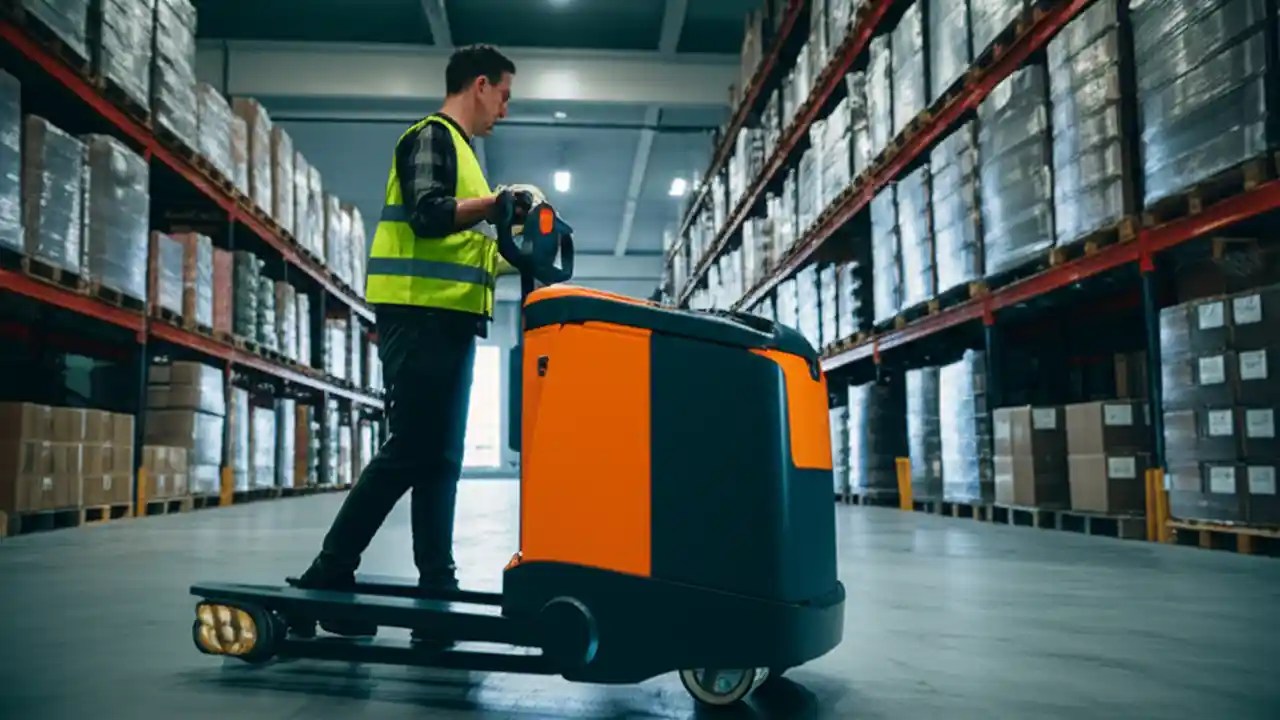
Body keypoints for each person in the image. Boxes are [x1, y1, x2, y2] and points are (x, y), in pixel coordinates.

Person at [292, 44, 532, 643]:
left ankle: (436, 586)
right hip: (418, 317)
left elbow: (467, 250)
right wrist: (497, 205)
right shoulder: (432, 137)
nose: (504, 110)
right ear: (480, 85)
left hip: (449, 320)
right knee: (412, 449)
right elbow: (428, 215)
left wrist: (520, 241)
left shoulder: (470, 160)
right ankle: (330, 571)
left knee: (442, 461)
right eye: (504, 96)